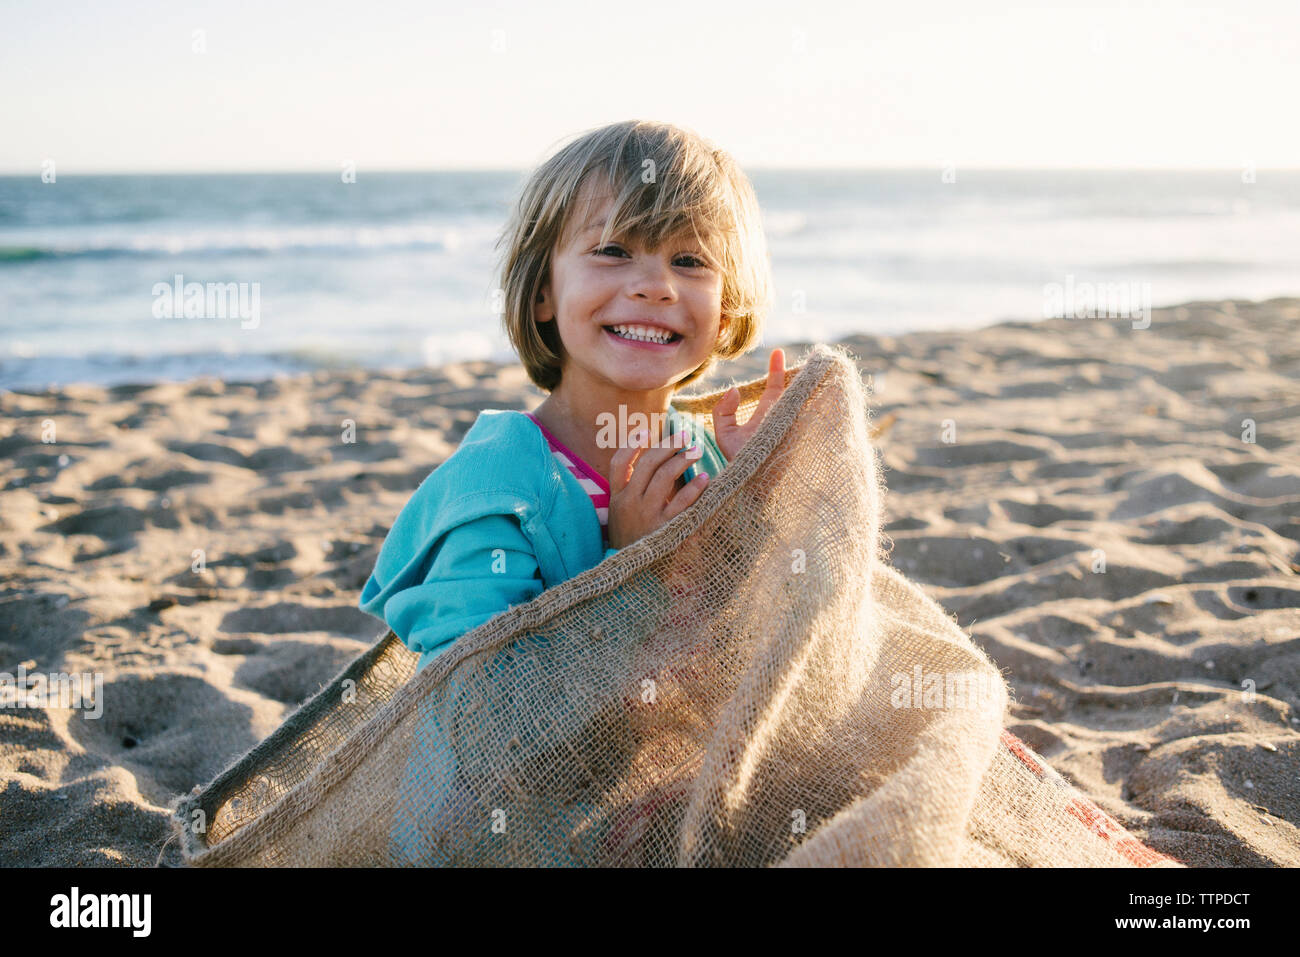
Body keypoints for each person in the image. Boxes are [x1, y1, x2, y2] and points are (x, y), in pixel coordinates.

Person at [358, 119, 786, 864]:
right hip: (504, 830)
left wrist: (757, 503)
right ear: (544, 292)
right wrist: (626, 560)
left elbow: (751, 641)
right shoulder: (499, 485)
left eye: (690, 260)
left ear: (726, 307)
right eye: (612, 251)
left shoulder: (710, 453)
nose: (654, 284)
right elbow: (481, 716)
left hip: (660, 798)